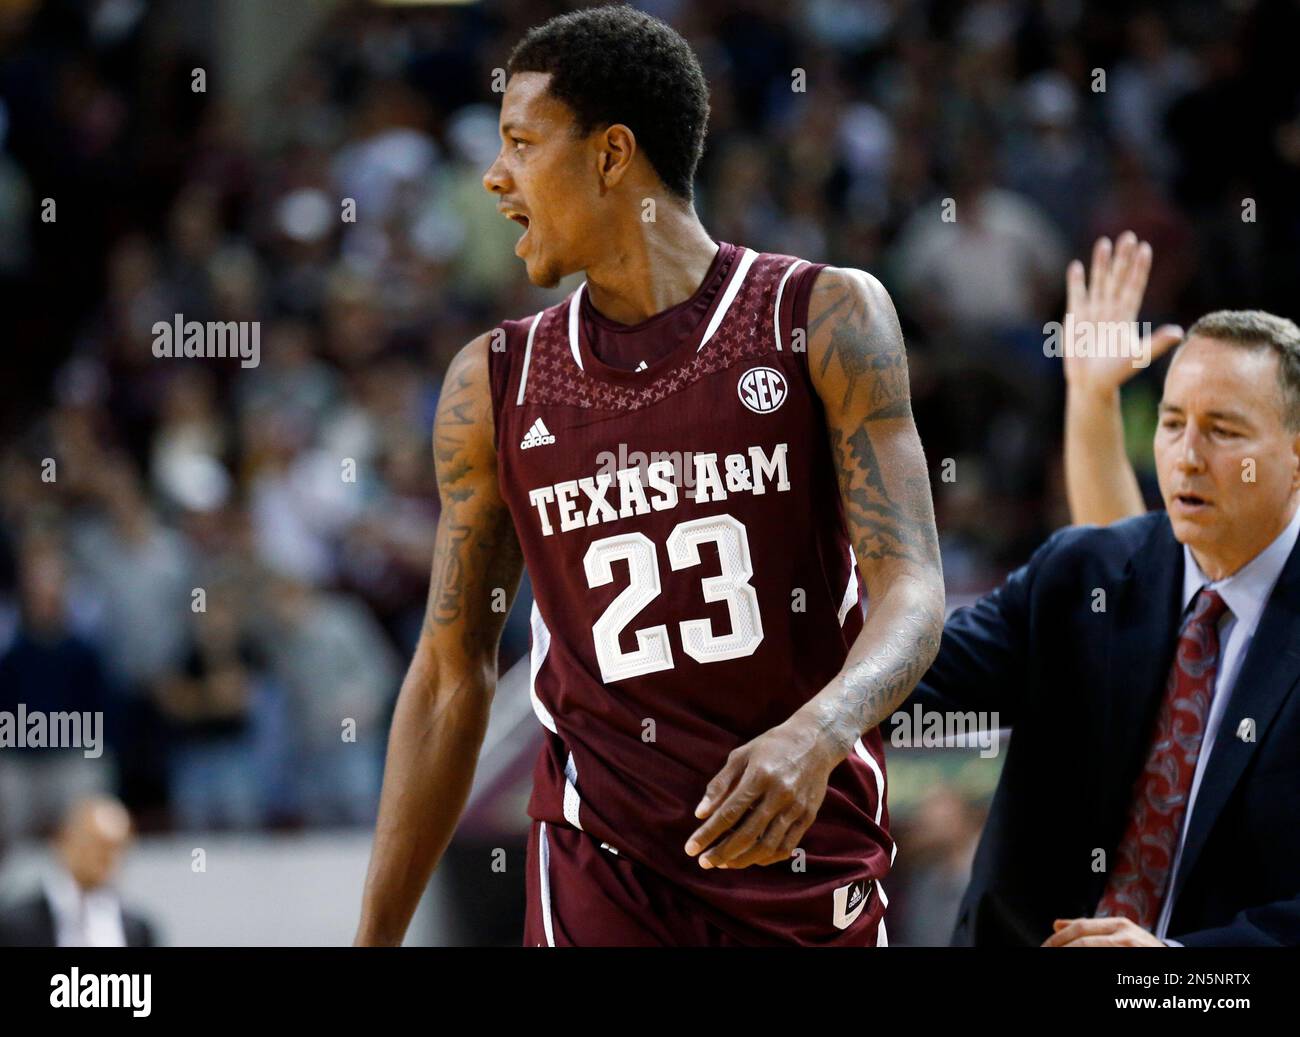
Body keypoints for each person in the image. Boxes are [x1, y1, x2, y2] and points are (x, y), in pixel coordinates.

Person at [355, 7, 944, 947]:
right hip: (602, 874)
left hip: (803, 863)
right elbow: (448, 672)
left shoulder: (821, 316)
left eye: (520, 142)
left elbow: (912, 589)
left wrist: (820, 729)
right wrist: (373, 940)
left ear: (611, 155)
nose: (495, 177)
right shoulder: (495, 382)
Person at [908, 231, 1300, 946]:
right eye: (1175, 423)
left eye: (1224, 431)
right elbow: (905, 670)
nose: (1187, 456)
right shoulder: (1084, 576)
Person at [0, 796, 155, 947]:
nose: (107, 857)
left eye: (118, 847)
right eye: (95, 845)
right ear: (64, 841)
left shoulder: (138, 930)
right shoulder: (14, 926)